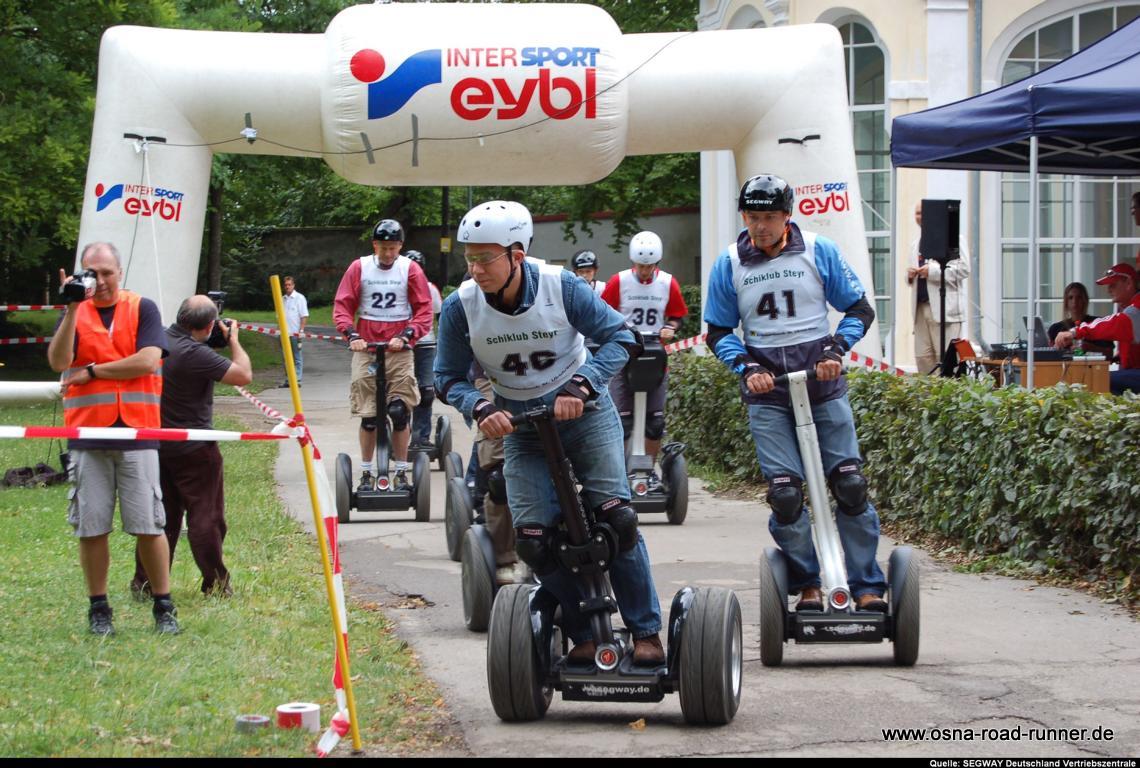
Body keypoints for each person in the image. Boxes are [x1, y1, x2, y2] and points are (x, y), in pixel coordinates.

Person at [434, 200, 665, 665]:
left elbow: (622, 338)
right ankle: (580, 630)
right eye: (469, 258)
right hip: (522, 427)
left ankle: (646, 631)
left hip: (584, 415)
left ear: (517, 255)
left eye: (485, 258)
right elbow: (446, 377)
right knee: (534, 540)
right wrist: (478, 406)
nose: (475, 268)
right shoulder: (462, 306)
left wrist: (582, 384)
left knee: (617, 520)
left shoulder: (562, 287)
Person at [703, 174, 888, 613]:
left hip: (822, 384)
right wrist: (746, 367)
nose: (760, 226)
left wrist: (836, 348)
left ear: (788, 215)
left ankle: (866, 584)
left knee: (850, 484)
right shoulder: (729, 263)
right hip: (768, 393)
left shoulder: (819, 251)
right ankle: (807, 582)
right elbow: (718, 331)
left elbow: (859, 308)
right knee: (786, 494)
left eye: (769, 217)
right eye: (752, 217)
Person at [46, 242, 179, 635]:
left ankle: (163, 606)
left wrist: (91, 372)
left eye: (106, 272)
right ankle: (98, 607)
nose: (99, 281)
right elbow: (57, 361)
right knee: (91, 526)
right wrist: (71, 307)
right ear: (79, 275)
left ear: (120, 272)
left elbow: (148, 359)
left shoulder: (143, 307)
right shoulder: (76, 311)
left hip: (138, 430)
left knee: (149, 524)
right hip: (87, 432)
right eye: (91, 273)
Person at [129, 295, 252, 598]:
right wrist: (234, 340)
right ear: (211, 325)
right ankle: (216, 583)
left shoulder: (158, 343)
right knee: (205, 518)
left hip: (157, 444)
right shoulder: (195, 353)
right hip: (195, 447)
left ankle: (144, 583)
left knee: (162, 519)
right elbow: (243, 374)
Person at [334, 219, 433, 491]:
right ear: (374, 245)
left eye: (393, 248)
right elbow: (343, 304)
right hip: (367, 348)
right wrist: (351, 334)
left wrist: (408, 334)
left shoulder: (410, 269)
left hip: (399, 349)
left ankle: (401, 471)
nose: (388, 254)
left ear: (400, 246)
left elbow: (424, 308)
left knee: (399, 411)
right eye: (383, 248)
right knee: (369, 417)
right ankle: (366, 473)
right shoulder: (359, 268)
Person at [600, 231, 688, 474]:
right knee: (623, 421)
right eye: (641, 265)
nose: (645, 271)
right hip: (623, 356)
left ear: (657, 264)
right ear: (633, 262)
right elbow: (602, 312)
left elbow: (676, 316)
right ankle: (620, 471)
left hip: (655, 356)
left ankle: (646, 471)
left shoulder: (668, 283)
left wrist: (670, 327)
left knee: (655, 422)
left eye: (649, 266)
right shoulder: (619, 282)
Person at [1054, 263, 1140, 394]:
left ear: (1128, 283)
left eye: (1113, 285)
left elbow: (1113, 323)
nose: (1109, 290)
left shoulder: (1135, 310)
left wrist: (1075, 332)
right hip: (1132, 372)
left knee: (1098, 380)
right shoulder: (1129, 309)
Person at [907, 200, 971, 375]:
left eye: (923, 213)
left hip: (945, 310)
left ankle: (948, 397)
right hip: (920, 308)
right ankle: (928, 397)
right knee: (923, 358)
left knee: (947, 359)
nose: (920, 217)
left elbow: (964, 268)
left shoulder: (954, 238)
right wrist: (911, 275)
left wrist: (933, 272)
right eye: (917, 213)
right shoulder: (915, 244)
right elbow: (914, 277)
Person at [406, 250, 444, 449]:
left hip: (427, 344)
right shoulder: (398, 288)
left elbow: (440, 316)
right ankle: (402, 434)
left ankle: (421, 437)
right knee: (401, 393)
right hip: (402, 346)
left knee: (426, 392)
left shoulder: (430, 288)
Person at [1046, 282, 1111, 356]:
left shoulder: (1098, 323)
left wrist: (1089, 347)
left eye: (1079, 297)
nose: (1075, 302)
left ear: (1085, 300)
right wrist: (1054, 348)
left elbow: (1109, 353)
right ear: (1066, 302)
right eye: (1070, 298)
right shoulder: (1056, 328)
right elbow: (1048, 354)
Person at [280, 276, 309, 387]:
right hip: (284, 333)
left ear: (293, 285)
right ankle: (288, 380)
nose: (287, 287)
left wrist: (301, 330)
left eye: (289, 284)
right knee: (286, 358)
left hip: (295, 333)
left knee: (297, 356)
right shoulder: (282, 299)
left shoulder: (299, 298)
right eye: (286, 285)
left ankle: (297, 380)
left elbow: (304, 315)